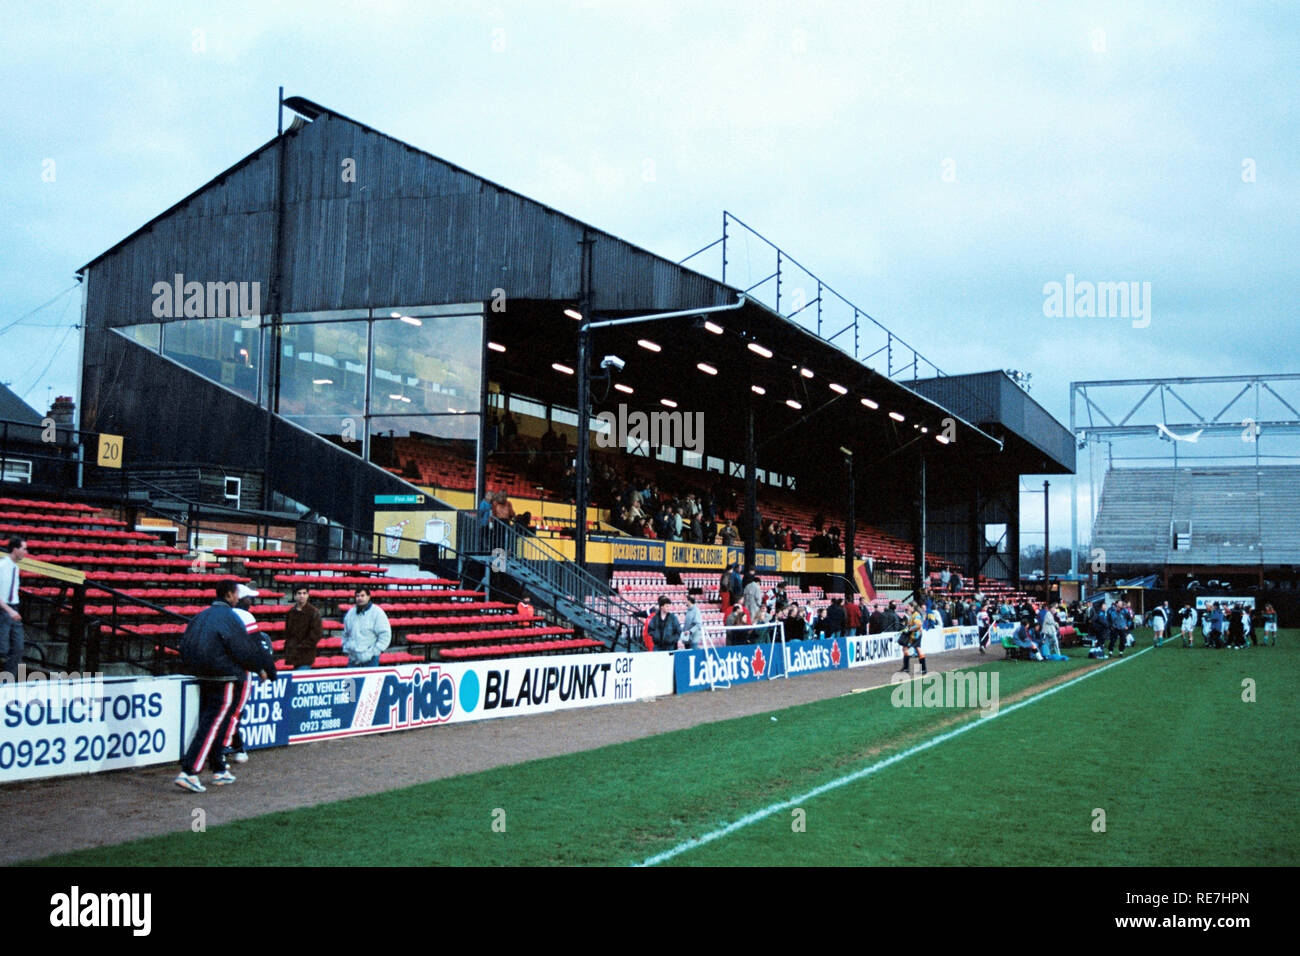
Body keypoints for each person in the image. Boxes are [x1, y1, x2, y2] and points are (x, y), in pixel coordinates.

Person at [175, 580, 277, 793]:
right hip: (225, 675)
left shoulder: (202, 615)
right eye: (236, 594)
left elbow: (184, 643)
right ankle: (190, 772)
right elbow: (242, 648)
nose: (239, 598)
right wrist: (259, 668)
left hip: (202, 673)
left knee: (211, 721)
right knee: (213, 724)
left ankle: (218, 768)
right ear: (230, 595)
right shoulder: (230, 617)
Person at [223, 583, 265, 765]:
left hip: (220, 668)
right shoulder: (245, 615)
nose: (251, 602)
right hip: (240, 669)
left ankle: (237, 747)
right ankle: (225, 748)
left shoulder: (220, 613)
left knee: (224, 711)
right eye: (249, 598)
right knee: (234, 711)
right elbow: (255, 646)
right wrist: (262, 668)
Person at [341, 586, 392, 667]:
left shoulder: (377, 613)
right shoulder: (350, 613)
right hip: (353, 659)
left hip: (370, 659)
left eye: (362, 595)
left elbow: (385, 634)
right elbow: (345, 633)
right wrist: (346, 647)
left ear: (368, 597)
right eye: (357, 596)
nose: (359, 598)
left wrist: (375, 651)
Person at [0, 537, 29, 677]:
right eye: (23, 548)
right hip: (3, 608)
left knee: (18, 647)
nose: (25, 552)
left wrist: (13, 610)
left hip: (13, 608)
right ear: (15, 549)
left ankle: (7, 681)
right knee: (2, 649)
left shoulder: (15, 568)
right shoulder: (2, 566)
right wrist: (8, 610)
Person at [283, 584, 324, 669]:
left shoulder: (313, 612)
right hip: (293, 655)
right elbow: (288, 633)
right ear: (294, 595)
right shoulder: (290, 613)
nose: (302, 596)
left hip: (306, 655)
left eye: (304, 593)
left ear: (308, 595)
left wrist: (301, 647)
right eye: (299, 593)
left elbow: (317, 634)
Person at [898, 602, 928, 675]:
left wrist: (909, 629)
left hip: (915, 635)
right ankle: (907, 668)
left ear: (912, 607)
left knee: (916, 649)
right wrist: (906, 629)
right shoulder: (913, 615)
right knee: (906, 648)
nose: (907, 608)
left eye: (909, 606)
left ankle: (908, 668)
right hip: (915, 634)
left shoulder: (916, 615)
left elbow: (918, 625)